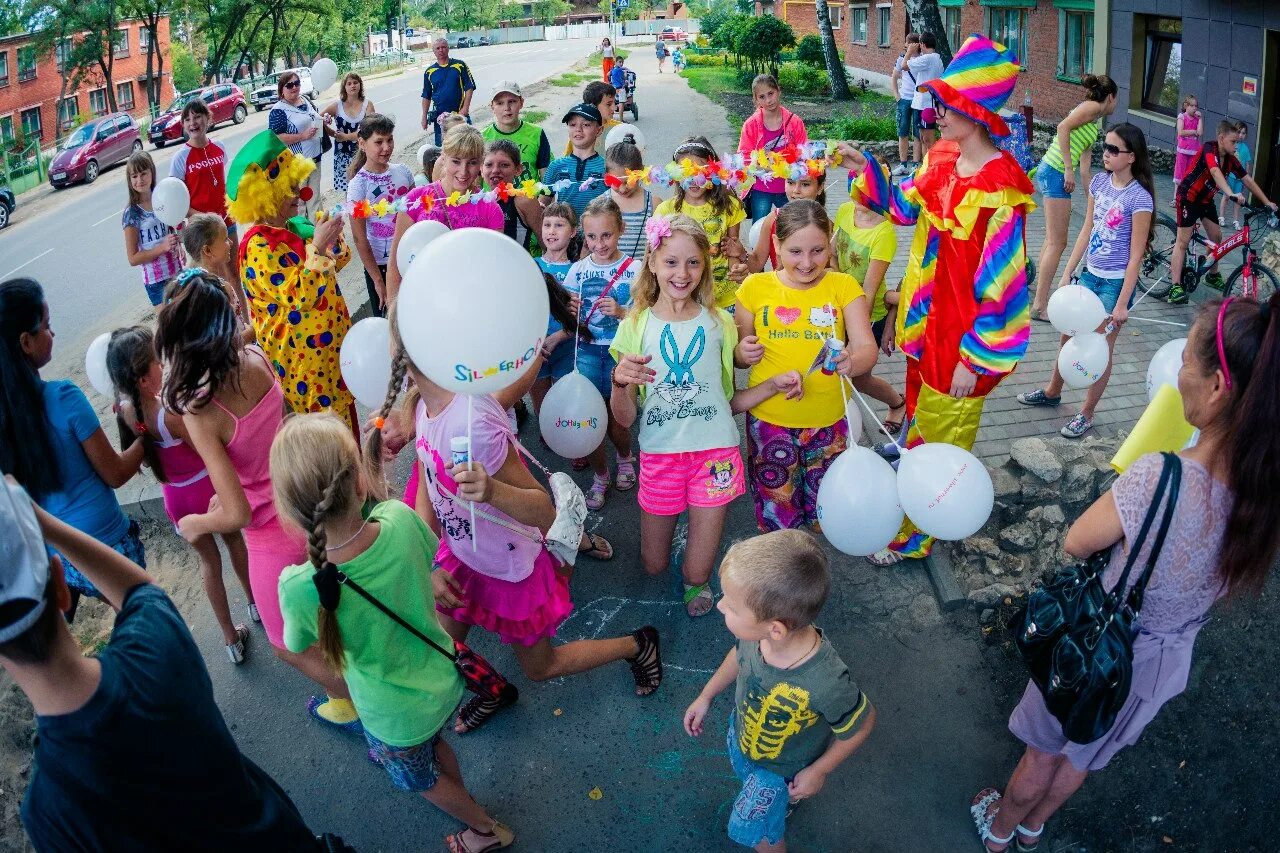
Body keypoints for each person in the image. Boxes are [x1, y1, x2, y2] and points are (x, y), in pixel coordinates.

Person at [972, 294, 1280, 853]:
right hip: (1163, 663)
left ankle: (997, 831)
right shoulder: (1264, 490)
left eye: (1188, 359)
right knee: (1084, 752)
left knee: (1043, 750)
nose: (1178, 370)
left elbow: (1077, 541)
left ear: (1216, 386)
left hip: (1098, 644)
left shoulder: (1160, 475)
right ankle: (1034, 830)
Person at [364, 308, 663, 734]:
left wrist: (491, 491)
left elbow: (543, 512)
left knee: (542, 667)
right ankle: (493, 690)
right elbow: (429, 486)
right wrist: (429, 559)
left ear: (403, 351)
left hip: (508, 567)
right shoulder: (422, 408)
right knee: (444, 644)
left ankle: (638, 644)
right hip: (461, 556)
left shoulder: (474, 424)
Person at [0, 478, 322, 851]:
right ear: (60, 585)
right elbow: (139, 591)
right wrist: (42, 522)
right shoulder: (154, 647)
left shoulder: (46, 812)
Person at [273, 414, 516, 852]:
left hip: (391, 717)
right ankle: (465, 801)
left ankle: (483, 829)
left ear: (290, 513)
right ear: (360, 484)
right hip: (442, 683)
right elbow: (419, 542)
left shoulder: (297, 587)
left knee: (420, 780)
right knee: (435, 747)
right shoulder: (400, 521)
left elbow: (294, 646)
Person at [841, 34, 1034, 563]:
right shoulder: (943, 157)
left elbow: (1004, 286)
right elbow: (904, 209)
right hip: (927, 321)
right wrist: (865, 166)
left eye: (948, 104)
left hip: (963, 334)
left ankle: (919, 530)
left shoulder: (1001, 186)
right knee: (921, 420)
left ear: (974, 112)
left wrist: (979, 357)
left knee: (944, 432)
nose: (937, 111)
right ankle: (907, 479)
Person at [155, 270, 360, 730]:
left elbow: (238, 513)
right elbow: (284, 427)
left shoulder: (202, 412)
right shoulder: (256, 355)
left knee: (287, 644)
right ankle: (347, 695)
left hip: (272, 537)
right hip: (308, 502)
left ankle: (365, 698)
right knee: (335, 611)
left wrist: (198, 525)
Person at [611, 214, 802, 617]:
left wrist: (772, 385)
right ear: (652, 262)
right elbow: (624, 419)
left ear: (704, 267)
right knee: (654, 564)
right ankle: (677, 556)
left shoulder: (720, 323)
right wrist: (619, 382)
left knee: (696, 570)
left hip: (715, 455)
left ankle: (695, 581)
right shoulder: (633, 326)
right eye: (671, 262)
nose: (682, 274)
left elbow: (725, 400)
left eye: (693, 262)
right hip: (661, 457)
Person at [683, 530, 876, 853]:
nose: (720, 607)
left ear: (775, 628)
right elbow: (738, 658)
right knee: (749, 782)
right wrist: (707, 695)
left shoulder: (825, 680)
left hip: (781, 773)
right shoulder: (757, 635)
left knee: (762, 834)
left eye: (731, 605)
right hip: (745, 738)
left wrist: (819, 771)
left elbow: (863, 722)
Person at [106, 325, 256, 664]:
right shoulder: (169, 414)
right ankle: (255, 602)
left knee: (208, 562)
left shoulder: (128, 411)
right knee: (234, 543)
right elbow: (203, 447)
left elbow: (143, 444)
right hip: (206, 489)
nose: (163, 366)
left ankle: (231, 640)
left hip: (176, 499)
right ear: (144, 379)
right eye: (157, 362)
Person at [734, 201, 876, 534]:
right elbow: (739, 355)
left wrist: (852, 361)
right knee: (778, 512)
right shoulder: (754, 288)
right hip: (769, 422)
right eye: (795, 251)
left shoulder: (843, 287)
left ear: (830, 244)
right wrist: (744, 351)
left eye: (818, 250)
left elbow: (867, 348)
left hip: (828, 423)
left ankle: (809, 570)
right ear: (777, 246)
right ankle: (784, 577)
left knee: (823, 512)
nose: (807, 262)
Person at [0, 278, 145, 604]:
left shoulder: (6, 419)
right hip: (108, 545)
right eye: (47, 327)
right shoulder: (64, 397)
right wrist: (145, 434)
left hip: (66, 556)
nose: (53, 334)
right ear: (25, 342)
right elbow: (117, 473)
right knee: (148, 613)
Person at [1018, 125, 1155, 439]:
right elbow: (1086, 231)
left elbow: (1135, 257)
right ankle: (1053, 391)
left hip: (1114, 285)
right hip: (1089, 275)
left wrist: (1122, 303)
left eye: (1114, 150)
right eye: (1105, 146)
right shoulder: (1099, 182)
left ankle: (1087, 413)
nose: (1105, 154)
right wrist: (1068, 271)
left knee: (1099, 349)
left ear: (1132, 157)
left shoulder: (1140, 199)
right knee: (1069, 335)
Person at [225, 129, 357, 433]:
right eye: (290, 188)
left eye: (298, 185)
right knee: (328, 442)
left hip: (332, 357)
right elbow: (301, 294)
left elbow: (341, 259)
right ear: (266, 196)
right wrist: (319, 246)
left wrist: (330, 238)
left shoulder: (294, 225)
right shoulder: (258, 247)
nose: (300, 193)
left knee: (347, 427)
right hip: (305, 371)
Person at [564, 195, 640, 509]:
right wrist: (569, 308)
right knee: (589, 420)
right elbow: (565, 313)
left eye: (606, 235)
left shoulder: (634, 269)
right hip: (585, 353)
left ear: (620, 230)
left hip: (617, 356)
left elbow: (646, 316)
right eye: (592, 236)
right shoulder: (578, 271)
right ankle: (600, 474)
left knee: (617, 420)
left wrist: (623, 311)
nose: (599, 243)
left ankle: (624, 457)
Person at [1029, 75, 1118, 321]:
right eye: (1116, 100)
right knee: (1058, 243)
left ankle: (1040, 300)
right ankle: (1039, 306)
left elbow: (1085, 168)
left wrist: (1095, 195)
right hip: (1056, 170)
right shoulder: (1092, 107)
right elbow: (1062, 128)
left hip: (1054, 170)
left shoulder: (1094, 121)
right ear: (1111, 97)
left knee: (1053, 240)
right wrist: (1068, 168)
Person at [1167, 119, 1279, 305]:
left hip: (1205, 200)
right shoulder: (1209, 149)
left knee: (1217, 237)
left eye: (1238, 142)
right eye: (1233, 142)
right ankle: (1175, 286)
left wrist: (1267, 202)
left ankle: (1212, 275)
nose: (1237, 145)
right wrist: (1230, 193)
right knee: (1182, 242)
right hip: (1188, 197)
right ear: (1221, 138)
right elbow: (1214, 172)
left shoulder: (1231, 160)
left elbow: (1247, 180)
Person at [387, 125, 505, 301]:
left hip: (469, 301)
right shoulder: (416, 200)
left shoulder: (490, 209)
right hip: (421, 299)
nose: (463, 172)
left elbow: (492, 267)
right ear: (443, 158)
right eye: (456, 161)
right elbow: (396, 264)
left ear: (480, 163)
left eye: (472, 162)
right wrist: (394, 316)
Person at [833, 194, 908, 438]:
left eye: (867, 187)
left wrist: (856, 335)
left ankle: (898, 403)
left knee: (860, 379)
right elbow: (832, 253)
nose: (857, 193)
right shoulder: (845, 209)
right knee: (834, 374)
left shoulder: (884, 232)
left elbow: (869, 291)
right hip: (837, 308)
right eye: (854, 184)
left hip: (867, 316)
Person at [655, 137, 748, 310]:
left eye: (700, 170)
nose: (694, 179)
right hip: (686, 297)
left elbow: (732, 249)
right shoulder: (666, 210)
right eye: (686, 171)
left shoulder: (730, 206)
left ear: (713, 170)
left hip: (725, 297)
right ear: (675, 173)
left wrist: (738, 269)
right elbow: (659, 257)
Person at [346, 113, 414, 317]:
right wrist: (377, 278)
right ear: (362, 143)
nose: (387, 147)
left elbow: (415, 212)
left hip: (407, 255)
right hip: (381, 265)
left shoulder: (403, 171)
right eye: (379, 142)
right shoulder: (359, 185)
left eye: (390, 140)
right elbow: (359, 239)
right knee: (389, 318)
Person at [169, 99, 239, 282]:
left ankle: (241, 311)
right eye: (187, 119)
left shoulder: (220, 148)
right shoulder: (180, 157)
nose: (192, 122)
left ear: (207, 118)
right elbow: (175, 202)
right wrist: (199, 217)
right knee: (214, 278)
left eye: (197, 117)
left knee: (234, 272)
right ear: (183, 125)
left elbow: (222, 185)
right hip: (202, 228)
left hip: (226, 220)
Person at [737, 74, 809, 220]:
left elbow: (804, 153)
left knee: (791, 227)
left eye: (771, 93)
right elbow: (744, 157)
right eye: (762, 97)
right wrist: (768, 167)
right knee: (759, 230)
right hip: (761, 189)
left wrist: (787, 167)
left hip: (789, 187)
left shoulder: (794, 122)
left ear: (778, 91)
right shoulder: (751, 124)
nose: (768, 100)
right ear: (756, 100)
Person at [532, 203, 579, 416]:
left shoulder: (578, 269)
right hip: (535, 349)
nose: (551, 230)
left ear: (573, 232)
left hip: (566, 348)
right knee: (541, 404)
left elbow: (584, 315)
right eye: (547, 224)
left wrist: (560, 335)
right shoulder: (529, 265)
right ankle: (545, 433)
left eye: (559, 225)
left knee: (564, 405)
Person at [122, 150, 183, 307]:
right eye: (134, 176)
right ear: (129, 180)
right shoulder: (132, 213)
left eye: (143, 173)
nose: (139, 180)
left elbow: (174, 226)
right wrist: (162, 248)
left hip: (177, 271)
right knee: (170, 328)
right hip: (156, 282)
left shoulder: (163, 198)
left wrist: (179, 242)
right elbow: (133, 258)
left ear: (152, 172)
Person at [267, 71, 328, 218]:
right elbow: (276, 138)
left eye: (297, 83)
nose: (294, 87)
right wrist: (302, 136)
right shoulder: (278, 111)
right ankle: (301, 235)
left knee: (314, 198)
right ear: (282, 89)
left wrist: (324, 120)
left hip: (314, 158)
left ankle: (316, 233)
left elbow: (315, 117)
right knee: (298, 202)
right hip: (296, 163)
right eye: (289, 85)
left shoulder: (305, 100)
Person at [741, 171, 827, 274]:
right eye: (790, 182)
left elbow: (831, 269)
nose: (796, 190)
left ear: (820, 187)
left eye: (805, 184)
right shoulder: (773, 219)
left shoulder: (826, 224)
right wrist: (741, 253)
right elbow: (757, 263)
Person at [546, 103, 609, 220]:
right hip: (565, 234)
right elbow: (544, 203)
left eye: (586, 124)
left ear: (599, 130)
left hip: (596, 234)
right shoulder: (556, 166)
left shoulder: (607, 167)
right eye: (572, 124)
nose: (578, 129)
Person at [482, 81, 552, 183]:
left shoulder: (537, 133)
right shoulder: (482, 137)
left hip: (529, 197)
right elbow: (476, 179)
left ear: (521, 102)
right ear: (492, 106)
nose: (507, 108)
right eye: (500, 103)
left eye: (512, 101)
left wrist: (542, 199)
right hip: (493, 198)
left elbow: (546, 174)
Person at [483, 139, 543, 254]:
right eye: (489, 165)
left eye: (504, 165)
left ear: (518, 169)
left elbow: (546, 242)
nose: (495, 170)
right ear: (481, 169)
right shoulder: (478, 201)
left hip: (518, 269)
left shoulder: (524, 201)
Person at [323, 72, 375, 193]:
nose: (352, 86)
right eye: (349, 83)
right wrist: (332, 132)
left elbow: (368, 130)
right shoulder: (337, 105)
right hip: (343, 155)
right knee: (349, 192)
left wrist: (344, 137)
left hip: (363, 154)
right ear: (344, 87)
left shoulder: (368, 104)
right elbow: (318, 120)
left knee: (366, 189)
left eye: (355, 82)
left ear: (360, 85)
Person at [606, 138, 656, 262]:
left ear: (641, 172)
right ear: (605, 176)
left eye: (629, 181)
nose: (623, 189)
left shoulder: (653, 203)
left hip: (643, 277)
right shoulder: (601, 203)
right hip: (610, 278)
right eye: (616, 182)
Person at [422, 37, 476, 146]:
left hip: (459, 115)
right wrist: (424, 116)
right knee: (442, 149)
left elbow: (469, 88)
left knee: (467, 145)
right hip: (441, 119)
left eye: (443, 47)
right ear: (434, 51)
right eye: (437, 48)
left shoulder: (460, 65)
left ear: (448, 48)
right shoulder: (429, 72)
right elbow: (426, 96)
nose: (441, 50)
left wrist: (465, 109)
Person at [906, 33, 946, 157]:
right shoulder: (934, 59)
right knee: (923, 139)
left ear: (922, 44)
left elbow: (903, 66)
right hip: (922, 103)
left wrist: (909, 51)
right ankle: (926, 166)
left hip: (926, 105)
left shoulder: (928, 58)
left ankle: (932, 166)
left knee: (928, 140)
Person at [891, 33, 923, 176]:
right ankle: (903, 163)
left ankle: (916, 164)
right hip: (904, 99)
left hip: (919, 100)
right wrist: (897, 96)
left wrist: (910, 53)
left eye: (909, 43)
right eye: (906, 43)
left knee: (917, 133)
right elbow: (894, 76)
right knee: (902, 132)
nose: (906, 45)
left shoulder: (923, 59)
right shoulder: (900, 59)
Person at [563, 81, 621, 157]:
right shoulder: (580, 132)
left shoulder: (619, 128)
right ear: (593, 107)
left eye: (615, 103)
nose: (614, 108)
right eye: (608, 104)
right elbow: (568, 161)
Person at [1219, 119, 1251, 229]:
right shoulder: (1231, 145)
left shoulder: (1245, 149)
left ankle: (1236, 221)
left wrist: (1245, 180)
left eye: (1243, 133)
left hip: (1239, 180)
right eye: (1239, 132)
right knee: (1226, 196)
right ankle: (1221, 217)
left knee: (1238, 200)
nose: (1241, 135)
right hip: (1230, 177)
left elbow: (1247, 164)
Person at [1173, 95, 1201, 190]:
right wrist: (1193, 132)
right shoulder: (1182, 116)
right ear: (1186, 106)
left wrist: (1200, 119)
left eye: (1196, 106)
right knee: (1179, 174)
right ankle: (1175, 198)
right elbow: (1181, 132)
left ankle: (1184, 197)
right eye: (1192, 105)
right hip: (1183, 150)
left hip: (1193, 152)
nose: (1194, 108)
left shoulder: (1197, 119)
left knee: (1189, 174)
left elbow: (1200, 132)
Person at [609, 57, 627, 121]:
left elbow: (608, 74)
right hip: (621, 88)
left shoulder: (612, 70)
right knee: (621, 103)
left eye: (622, 62)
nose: (621, 64)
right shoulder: (620, 70)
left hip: (614, 88)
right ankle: (621, 120)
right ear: (616, 62)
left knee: (612, 103)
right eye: (620, 62)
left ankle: (611, 119)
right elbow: (624, 77)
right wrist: (625, 74)